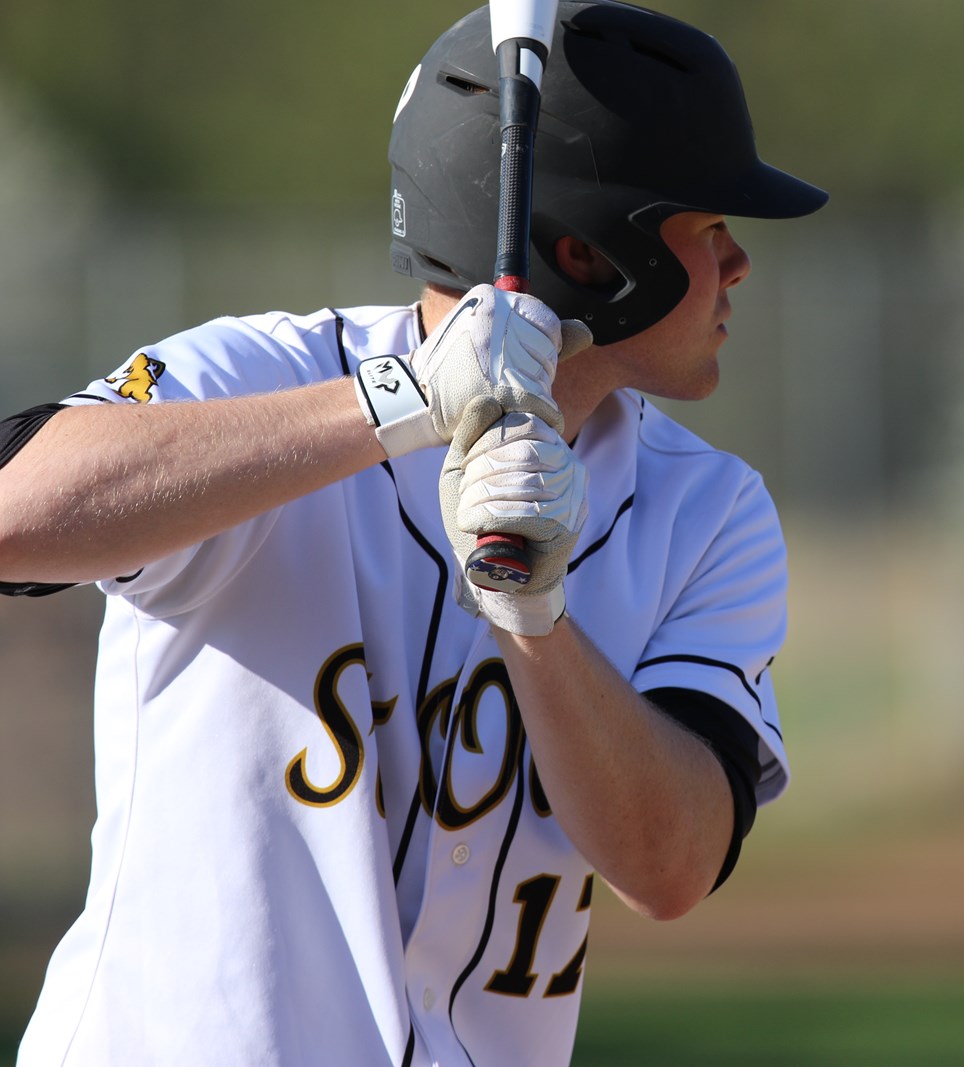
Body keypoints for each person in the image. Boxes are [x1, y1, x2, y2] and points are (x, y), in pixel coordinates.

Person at [0, 2, 825, 1064]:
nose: (738, 262)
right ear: (590, 252)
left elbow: (670, 865)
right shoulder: (257, 378)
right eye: (707, 227)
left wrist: (537, 618)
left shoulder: (707, 510)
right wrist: (394, 402)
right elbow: (15, 511)